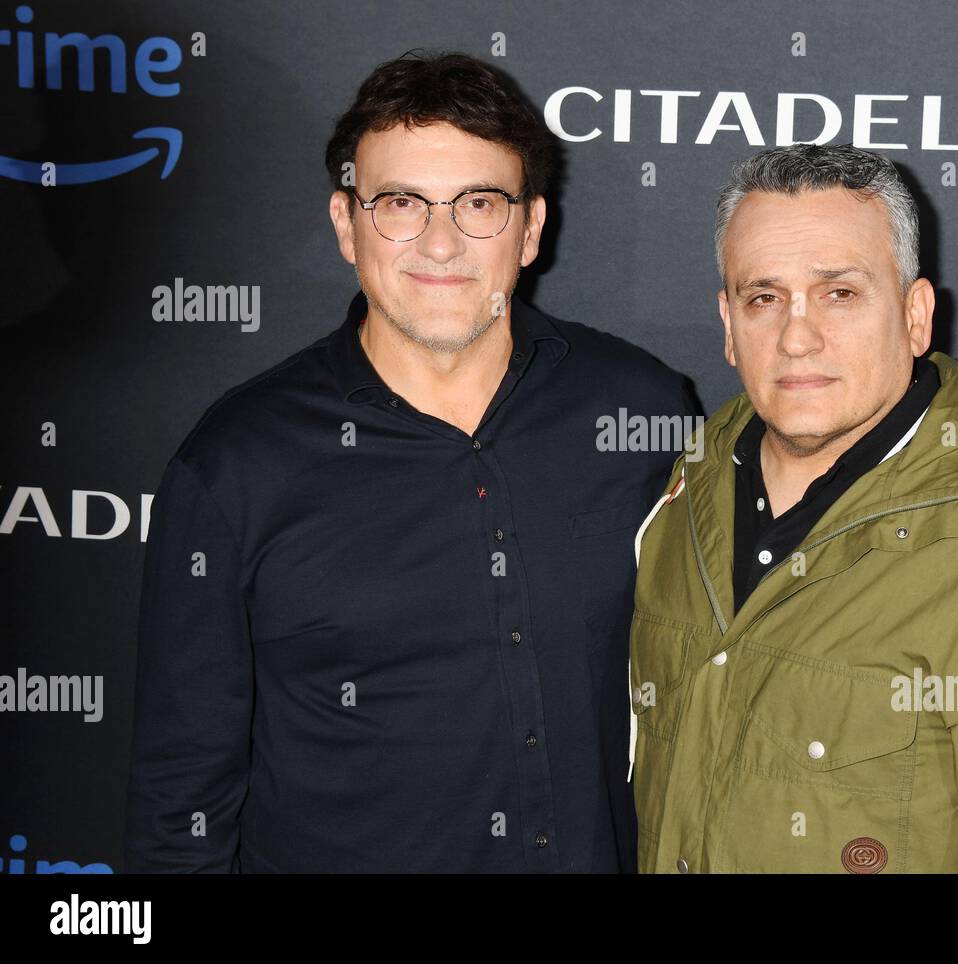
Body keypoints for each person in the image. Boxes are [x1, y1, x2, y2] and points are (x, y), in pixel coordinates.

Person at [125, 51, 699, 872]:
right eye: (399, 203)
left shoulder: (640, 410)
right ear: (344, 223)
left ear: (531, 228)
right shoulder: (237, 465)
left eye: (479, 204)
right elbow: (179, 795)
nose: (440, 243)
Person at [630, 143, 958, 873]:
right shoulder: (689, 486)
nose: (796, 335)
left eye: (839, 292)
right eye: (763, 297)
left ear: (915, 315)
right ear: (727, 324)